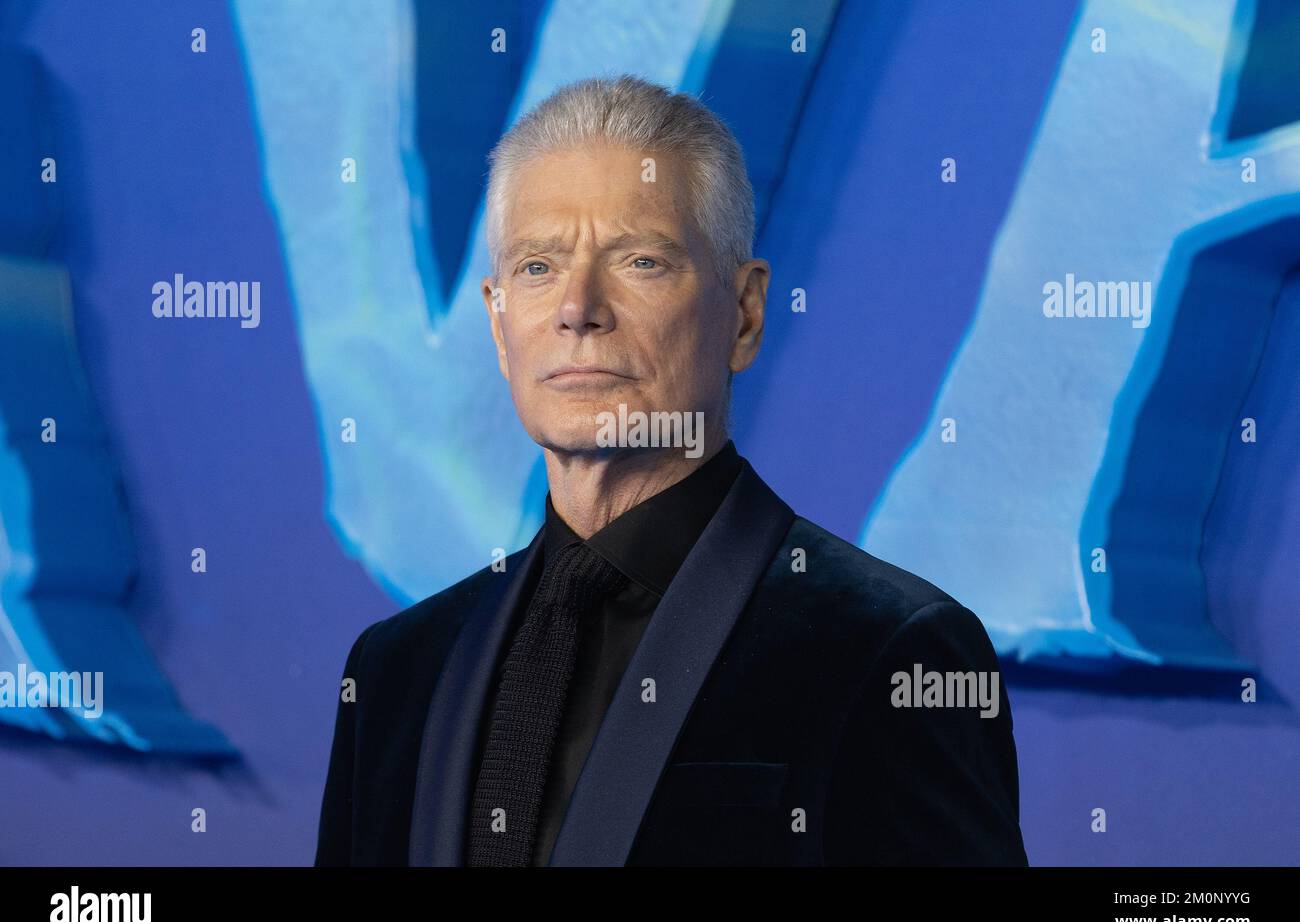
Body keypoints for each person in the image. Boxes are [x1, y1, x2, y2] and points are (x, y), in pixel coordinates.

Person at [315, 73, 1028, 867]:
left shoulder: (889, 652)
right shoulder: (393, 673)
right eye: (538, 266)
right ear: (497, 319)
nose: (577, 307)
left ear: (746, 314)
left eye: (641, 261)